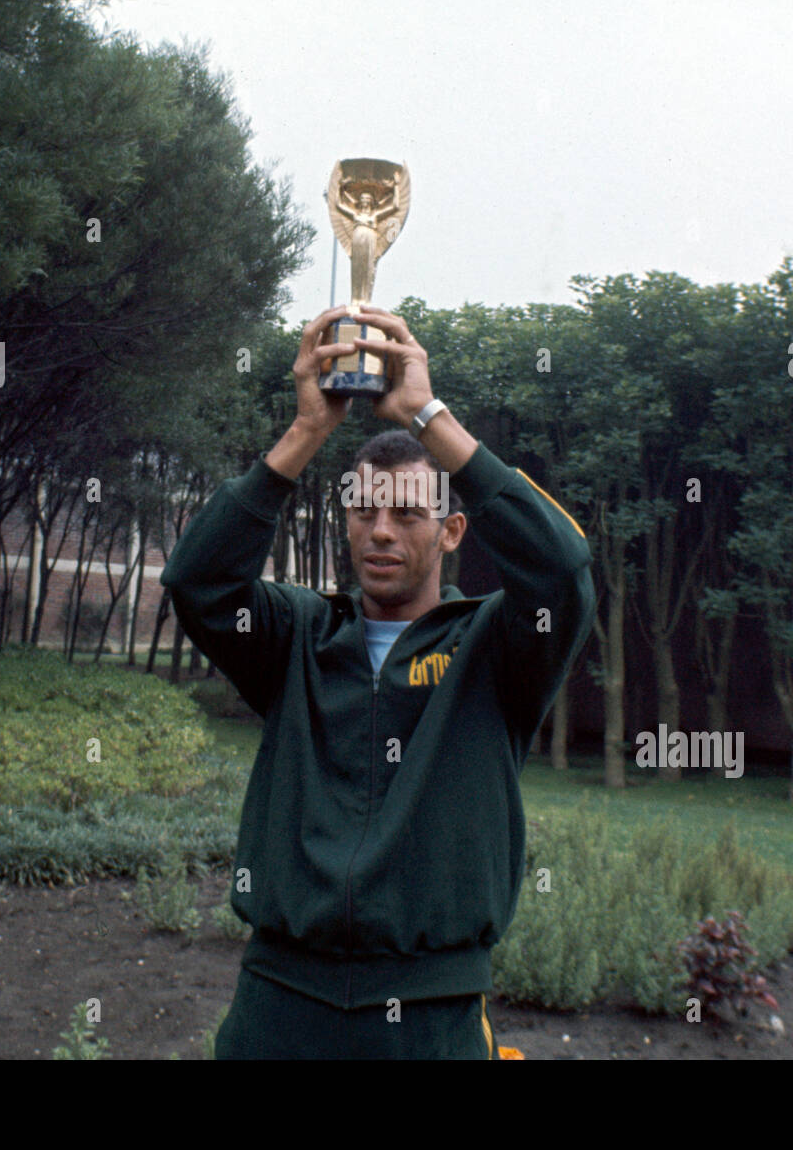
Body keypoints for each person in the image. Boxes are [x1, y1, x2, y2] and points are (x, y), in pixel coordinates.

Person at [161, 304, 595, 1059]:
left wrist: (429, 417)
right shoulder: (297, 636)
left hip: (430, 1013)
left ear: (452, 530)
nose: (383, 530)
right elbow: (198, 581)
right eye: (364, 510)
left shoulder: (495, 649)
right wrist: (307, 433)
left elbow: (561, 567)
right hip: (280, 1002)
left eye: (407, 512)